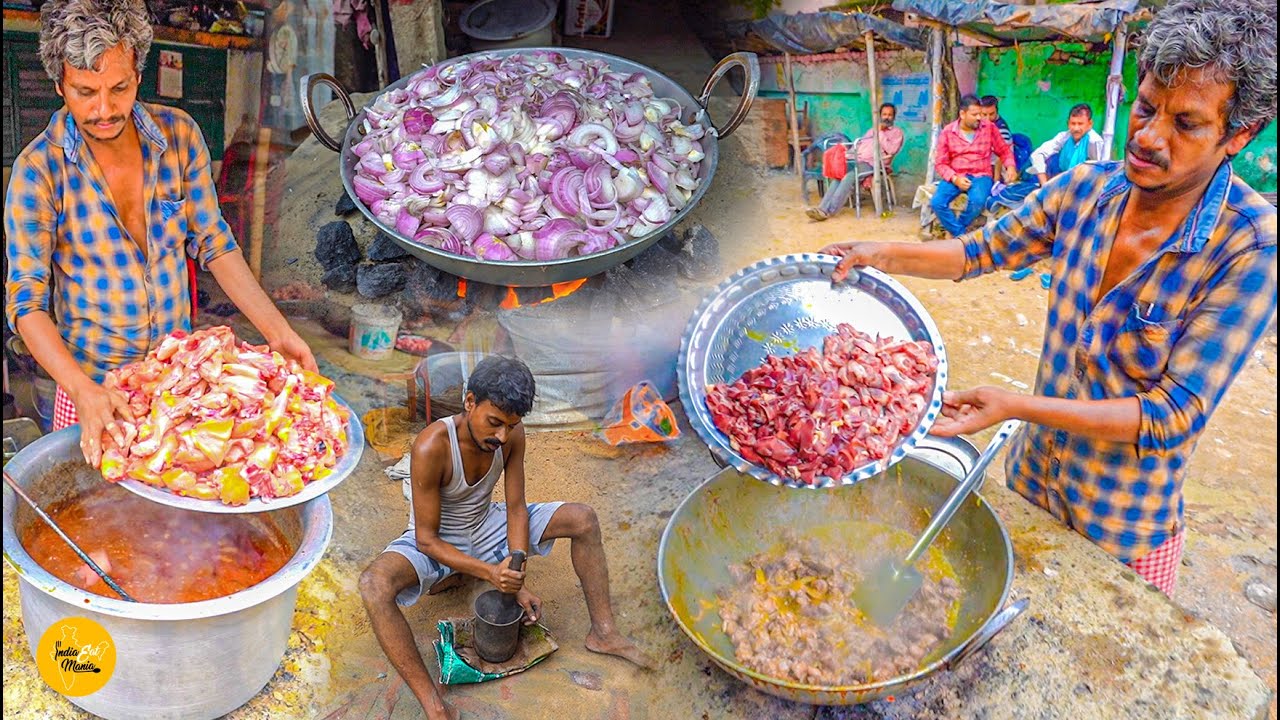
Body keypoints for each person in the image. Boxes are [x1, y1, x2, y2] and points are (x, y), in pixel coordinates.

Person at [821, 0, 1276, 597]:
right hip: (1032, 485)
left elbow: (1171, 416)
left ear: (1237, 135)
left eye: (1186, 124)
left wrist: (1015, 406)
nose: (1147, 136)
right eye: (1144, 108)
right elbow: (973, 254)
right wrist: (879, 253)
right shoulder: (1086, 190)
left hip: (1121, 523)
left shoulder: (1251, 246)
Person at [4, 0, 316, 466]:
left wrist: (279, 331)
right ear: (59, 85)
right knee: (99, 520)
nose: (105, 110)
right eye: (85, 92)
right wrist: (84, 392)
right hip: (94, 388)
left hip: (179, 384)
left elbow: (215, 243)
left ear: (138, 73)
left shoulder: (180, 137)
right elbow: (26, 304)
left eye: (119, 87)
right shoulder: (38, 171)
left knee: (181, 514)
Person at [359, 356, 651, 720]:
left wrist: (514, 570)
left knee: (583, 519)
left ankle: (604, 633)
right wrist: (490, 573)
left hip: (487, 524)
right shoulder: (432, 445)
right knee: (374, 585)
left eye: (510, 426)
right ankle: (435, 706)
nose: (501, 436)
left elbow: (516, 508)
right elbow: (427, 540)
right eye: (494, 422)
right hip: (438, 540)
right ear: (470, 402)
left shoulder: (511, 435)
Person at [929, 94, 1019, 237]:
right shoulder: (948, 132)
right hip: (956, 174)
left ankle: (958, 231)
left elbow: (1004, 150)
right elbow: (940, 163)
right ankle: (961, 235)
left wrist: (1011, 167)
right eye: (975, 114)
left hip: (981, 175)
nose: (979, 118)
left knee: (978, 201)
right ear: (962, 114)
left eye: (980, 114)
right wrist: (954, 179)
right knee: (937, 203)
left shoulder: (989, 128)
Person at [990, 103, 1106, 211]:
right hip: (1062, 180)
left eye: (1080, 124)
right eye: (1073, 123)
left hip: (1083, 187)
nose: (1076, 128)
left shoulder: (1094, 142)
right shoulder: (1064, 137)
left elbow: (1100, 172)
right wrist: (1044, 185)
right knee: (1026, 194)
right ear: (1068, 123)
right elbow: (1038, 154)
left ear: (1090, 124)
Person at [805, 103, 905, 221]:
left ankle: (829, 211)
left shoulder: (897, 133)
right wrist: (849, 154)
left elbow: (892, 150)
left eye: (890, 115)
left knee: (850, 176)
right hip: (857, 159)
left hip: (874, 163)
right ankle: (821, 208)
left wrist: (880, 132)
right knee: (839, 174)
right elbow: (860, 143)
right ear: (880, 116)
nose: (887, 117)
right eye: (884, 114)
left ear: (894, 117)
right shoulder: (872, 130)